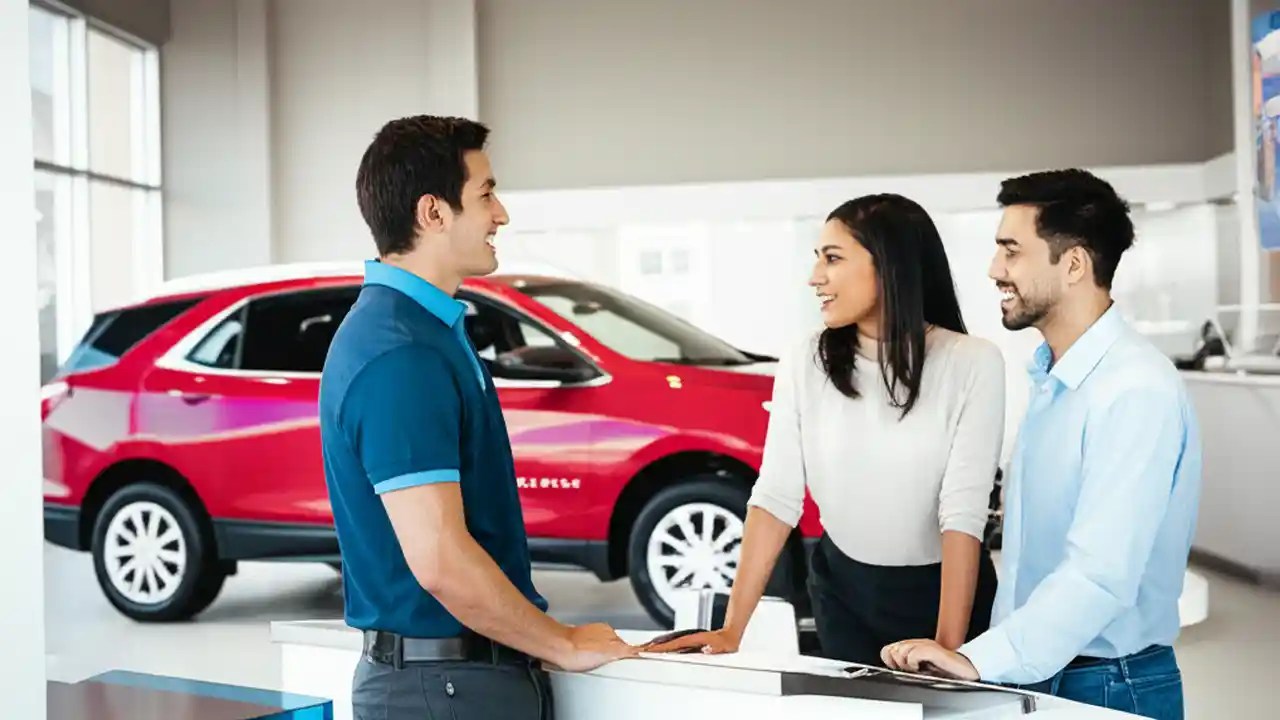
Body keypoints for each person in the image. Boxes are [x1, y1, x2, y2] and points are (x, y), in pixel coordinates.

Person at [319, 115, 636, 720]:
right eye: (486, 193)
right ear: (433, 212)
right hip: (442, 690)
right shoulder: (399, 352)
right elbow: (439, 556)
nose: (502, 215)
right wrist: (560, 642)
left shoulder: (425, 332)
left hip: (460, 678)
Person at [881, 169, 1202, 720]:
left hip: (1107, 685)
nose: (994, 270)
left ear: (1073, 264)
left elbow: (1101, 572)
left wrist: (980, 660)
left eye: (1011, 252)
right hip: (1049, 674)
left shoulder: (1134, 389)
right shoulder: (1054, 378)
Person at [649, 194, 1005, 666]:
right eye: (817, 258)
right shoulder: (806, 358)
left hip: (946, 597)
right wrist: (732, 629)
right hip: (844, 595)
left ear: (890, 266)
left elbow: (962, 514)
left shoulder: (972, 362)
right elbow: (776, 496)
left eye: (832, 258)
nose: (814, 277)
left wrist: (946, 650)